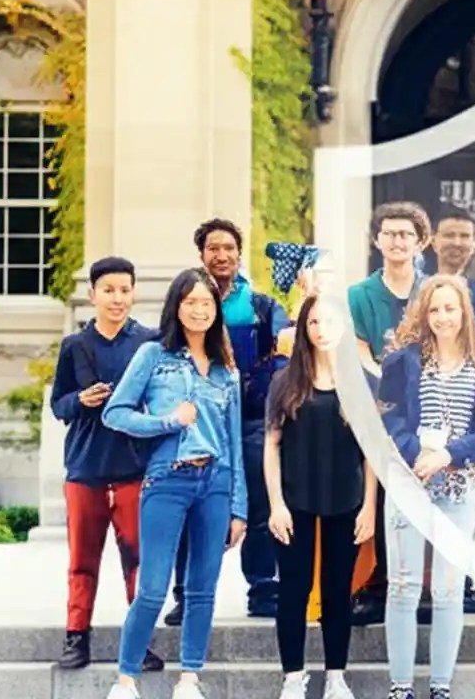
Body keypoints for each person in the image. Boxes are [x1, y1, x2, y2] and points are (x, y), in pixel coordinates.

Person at [102, 268, 248, 699]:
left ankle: (189, 678)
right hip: (168, 479)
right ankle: (125, 679)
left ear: (215, 309)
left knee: (203, 589)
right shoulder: (153, 355)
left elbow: (235, 442)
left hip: (216, 482)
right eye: (191, 303)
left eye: (207, 303)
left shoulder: (226, 369)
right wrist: (167, 421)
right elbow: (116, 413)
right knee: (152, 588)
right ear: (177, 307)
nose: (200, 310)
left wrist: (239, 507)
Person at [378, 275, 475, 699]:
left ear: (464, 312)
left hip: (458, 486)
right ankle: (400, 687)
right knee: (404, 584)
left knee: (448, 590)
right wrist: (416, 453)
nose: (442, 317)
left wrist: (446, 455)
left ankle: (440, 687)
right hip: (409, 480)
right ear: (423, 314)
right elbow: (390, 418)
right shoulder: (404, 360)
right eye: (434, 309)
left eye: (450, 308)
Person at [165, 218, 289, 625]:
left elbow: (281, 359)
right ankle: (187, 594)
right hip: (201, 422)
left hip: (252, 419)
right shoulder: (188, 301)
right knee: (192, 507)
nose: (221, 255)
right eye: (213, 248)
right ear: (201, 254)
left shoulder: (261, 307)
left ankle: (263, 587)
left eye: (229, 248)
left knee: (258, 503)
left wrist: (253, 391)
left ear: (239, 253)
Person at [51, 257, 163, 672]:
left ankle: (140, 641)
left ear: (134, 293)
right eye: (109, 290)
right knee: (83, 558)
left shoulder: (150, 343)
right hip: (85, 468)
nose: (117, 298)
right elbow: (58, 404)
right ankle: (76, 638)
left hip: (136, 468)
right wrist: (81, 401)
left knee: (139, 559)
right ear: (92, 295)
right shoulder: (74, 346)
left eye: (125, 290)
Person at [265, 295, 378, 699]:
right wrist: (275, 504)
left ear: (343, 328)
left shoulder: (357, 384)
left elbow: (370, 453)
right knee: (293, 591)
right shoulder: (286, 381)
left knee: (336, 591)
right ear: (304, 329)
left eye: (329, 321)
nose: (321, 328)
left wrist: (368, 505)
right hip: (295, 501)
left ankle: (335, 676)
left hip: (345, 500)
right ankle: (293, 677)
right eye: (313, 321)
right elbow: (271, 446)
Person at [347, 201, 432, 625]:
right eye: (390, 233)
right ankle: (377, 583)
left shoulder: (435, 289)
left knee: (431, 491)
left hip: (430, 408)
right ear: (376, 239)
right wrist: (391, 388)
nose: (397, 241)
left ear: (421, 242)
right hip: (378, 407)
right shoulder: (359, 295)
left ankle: (431, 587)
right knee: (380, 496)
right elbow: (361, 352)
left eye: (406, 234)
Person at [429, 206, 475, 616]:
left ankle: (462, 584)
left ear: (474, 244)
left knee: (464, 507)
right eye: (449, 235)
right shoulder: (423, 287)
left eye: (464, 237)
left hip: (466, 410)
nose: (456, 243)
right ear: (434, 241)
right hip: (425, 406)